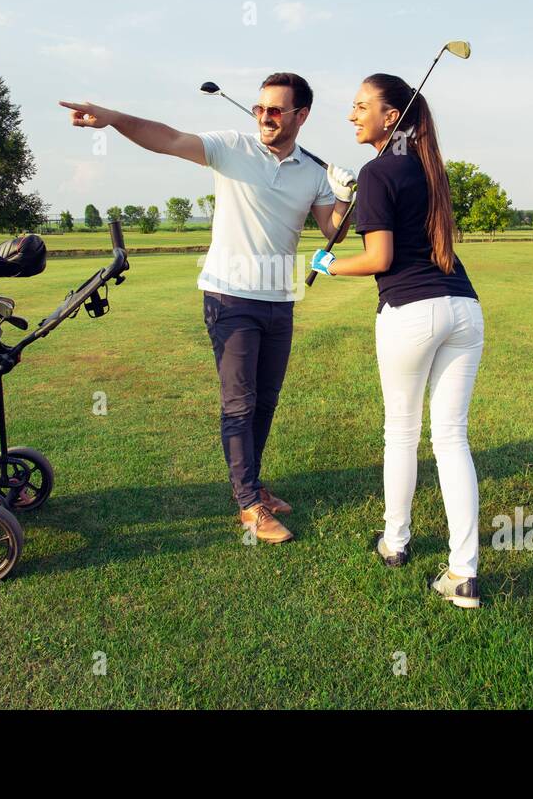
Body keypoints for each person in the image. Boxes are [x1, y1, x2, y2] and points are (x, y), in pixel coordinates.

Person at [60, 73, 355, 544]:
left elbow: (332, 232)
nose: (264, 117)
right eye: (260, 108)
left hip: (280, 300)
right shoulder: (232, 147)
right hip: (230, 297)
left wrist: (344, 195)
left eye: (276, 110)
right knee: (239, 403)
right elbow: (168, 139)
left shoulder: (312, 172)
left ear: (302, 116)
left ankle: (253, 483)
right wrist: (113, 119)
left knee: (265, 401)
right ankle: (248, 505)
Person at [309, 73, 485, 609]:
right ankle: (463, 573)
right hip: (465, 307)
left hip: (411, 311)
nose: (351, 115)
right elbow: (390, 228)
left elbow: (380, 259)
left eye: (362, 106)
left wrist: (330, 264)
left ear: (391, 117)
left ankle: (396, 541)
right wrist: (349, 200)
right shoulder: (429, 168)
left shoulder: (379, 169)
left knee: (402, 434)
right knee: (451, 439)